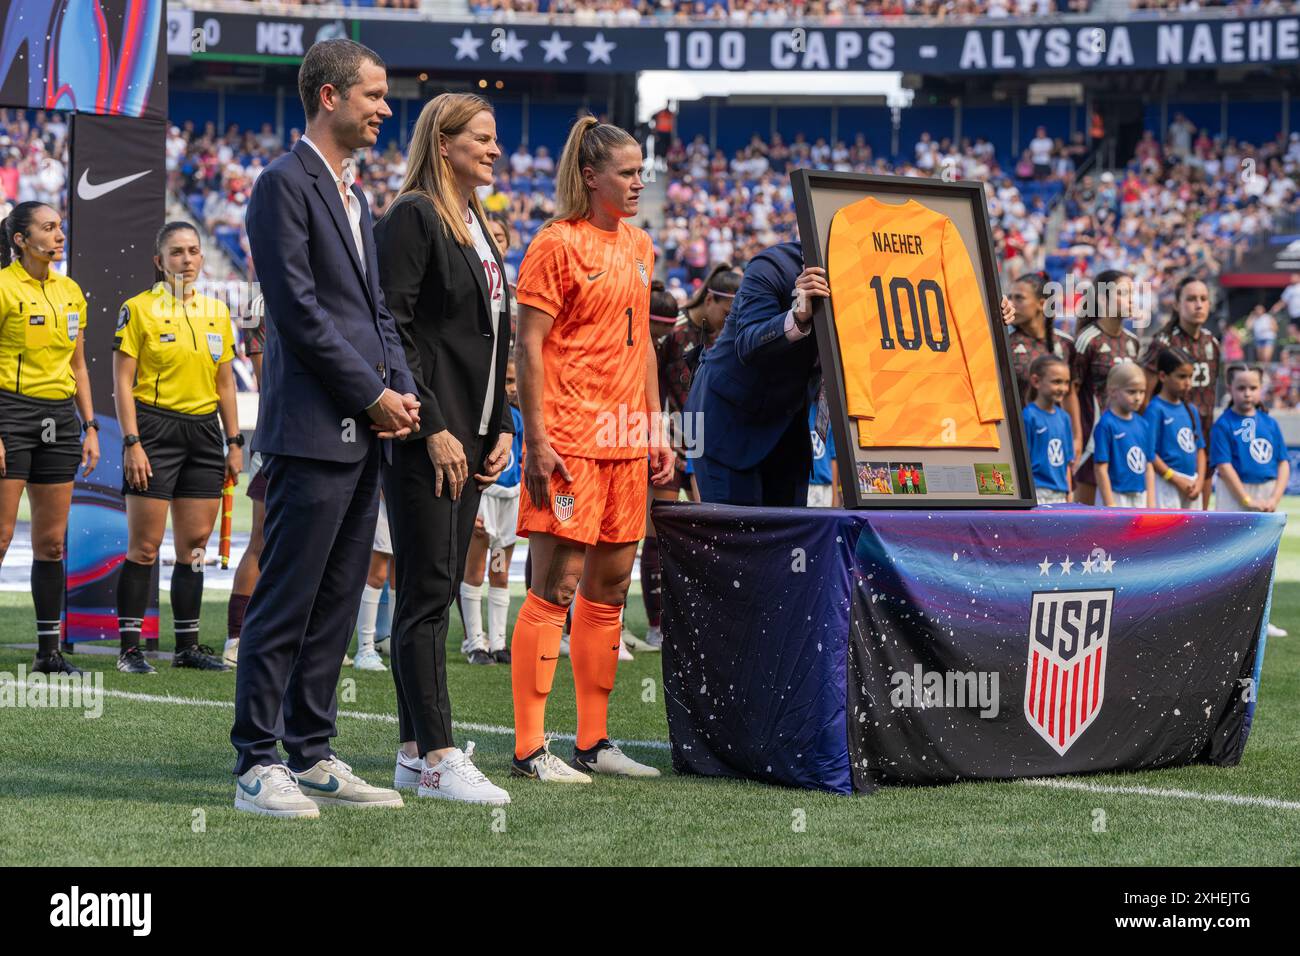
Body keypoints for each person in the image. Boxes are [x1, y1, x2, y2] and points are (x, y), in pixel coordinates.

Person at [230, 39, 419, 819]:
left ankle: (311, 752)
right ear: (331, 95)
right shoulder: (282, 184)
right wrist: (373, 393)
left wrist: (402, 391)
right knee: (288, 599)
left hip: (365, 426)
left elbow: (375, 310)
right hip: (312, 426)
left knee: (338, 600)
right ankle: (254, 763)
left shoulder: (355, 194)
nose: (384, 108)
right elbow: (300, 315)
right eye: (373, 94)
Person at [507, 115, 673, 783]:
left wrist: (655, 426)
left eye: (642, 172)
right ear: (590, 178)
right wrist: (538, 438)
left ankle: (594, 741)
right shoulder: (555, 243)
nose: (639, 183)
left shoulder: (640, 244)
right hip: (571, 436)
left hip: (626, 438)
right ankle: (528, 749)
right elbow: (528, 348)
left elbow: (644, 347)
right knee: (556, 585)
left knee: (608, 590)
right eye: (627, 173)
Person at [375, 92, 514, 805]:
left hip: (474, 436)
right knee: (427, 597)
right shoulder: (413, 216)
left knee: (433, 594)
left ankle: (409, 751)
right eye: (481, 138)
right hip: (430, 437)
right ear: (444, 141)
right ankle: (438, 756)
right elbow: (390, 328)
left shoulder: (479, 224)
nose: (495, 149)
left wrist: (504, 425)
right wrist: (431, 425)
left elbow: (493, 337)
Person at [112, 222, 241, 675]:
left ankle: (187, 646)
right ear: (159, 261)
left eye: (193, 251)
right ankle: (130, 649)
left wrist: (235, 441)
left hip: (205, 435)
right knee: (144, 547)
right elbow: (122, 384)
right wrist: (132, 443)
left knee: (196, 546)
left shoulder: (217, 312)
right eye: (176, 253)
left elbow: (225, 383)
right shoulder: (138, 309)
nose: (187, 260)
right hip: (154, 431)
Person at [0, 200, 99, 675]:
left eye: (60, 227)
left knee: (52, 544)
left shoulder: (71, 291)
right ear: (21, 240)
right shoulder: (1, 286)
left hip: (60, 420)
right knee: (0, 537)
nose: (59, 235)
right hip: (8, 413)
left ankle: (47, 654)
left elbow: (78, 365)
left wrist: (91, 425)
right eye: (48, 228)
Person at [641, 264, 739, 648]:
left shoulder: (726, 335)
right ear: (711, 298)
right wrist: (666, 436)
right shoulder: (672, 330)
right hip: (667, 442)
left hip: (706, 444)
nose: (732, 317)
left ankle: (703, 619)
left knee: (709, 530)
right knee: (657, 532)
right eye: (728, 308)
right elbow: (651, 387)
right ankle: (655, 626)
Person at [1210, 364, 1289, 637]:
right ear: (1229, 389)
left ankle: (1261, 621)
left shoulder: (1269, 423)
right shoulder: (1224, 424)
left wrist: (1274, 497)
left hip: (1265, 493)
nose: (1247, 393)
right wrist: (1245, 498)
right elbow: (1223, 465)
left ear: (1261, 389)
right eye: (1241, 388)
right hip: (1235, 495)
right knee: (1232, 557)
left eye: (1253, 388)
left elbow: (1283, 462)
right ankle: (1227, 620)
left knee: (1264, 559)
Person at [1139, 276, 1220, 510]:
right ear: (1177, 304)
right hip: (1169, 438)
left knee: (1200, 519)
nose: (1198, 305)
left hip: (1201, 433)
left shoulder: (1212, 342)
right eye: (1191, 299)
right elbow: (1144, 395)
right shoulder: (1163, 341)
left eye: (1204, 299)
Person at [461, 357, 522, 665]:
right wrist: (471, 506)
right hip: (484, 498)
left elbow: (522, 461)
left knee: (499, 571)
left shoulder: (519, 420)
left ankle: (498, 642)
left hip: (509, 502)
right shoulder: (481, 414)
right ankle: (474, 643)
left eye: (513, 381)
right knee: (474, 570)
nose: (510, 387)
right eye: (505, 381)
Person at [1071, 270, 1142, 505]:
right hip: (1091, 440)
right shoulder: (1087, 340)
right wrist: (1077, 436)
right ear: (1103, 299)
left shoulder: (1133, 342)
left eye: (1132, 293)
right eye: (1123, 293)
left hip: (1121, 440)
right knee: (1086, 520)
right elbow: (1071, 390)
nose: (1131, 299)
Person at [1007, 271, 1081, 455]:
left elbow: (1070, 394)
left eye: (1019, 298)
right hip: (1017, 442)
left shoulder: (1064, 344)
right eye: (1010, 298)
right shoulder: (1005, 345)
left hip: (1054, 444)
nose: (1011, 304)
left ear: (1041, 304)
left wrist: (1077, 438)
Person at [1143, 348, 1206, 511]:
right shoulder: (1155, 409)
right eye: (1182, 377)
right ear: (1163, 376)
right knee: (1168, 534)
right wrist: (1175, 479)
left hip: (1191, 484)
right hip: (1167, 483)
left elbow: (1200, 449)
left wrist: (1199, 482)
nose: (1188, 383)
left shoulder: (1191, 410)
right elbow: (1150, 454)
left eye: (1190, 377)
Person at [1092, 362, 1154, 509]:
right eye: (1132, 392)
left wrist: (1151, 502)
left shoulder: (1143, 424)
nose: (1138, 397)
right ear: (1113, 391)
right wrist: (1110, 504)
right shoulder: (1106, 424)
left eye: (1142, 392)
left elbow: (1149, 465)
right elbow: (1100, 468)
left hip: (1140, 496)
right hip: (1115, 496)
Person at [1022, 354, 1074, 504]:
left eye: (1066, 382)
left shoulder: (1065, 418)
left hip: (1060, 494)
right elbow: (1023, 463)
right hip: (1037, 492)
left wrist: (1069, 495)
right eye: (1057, 382)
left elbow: (1067, 463)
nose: (1063, 388)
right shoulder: (1028, 416)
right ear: (1036, 381)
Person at [352, 495, 392, 672]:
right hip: (385, 497)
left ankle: (398, 650)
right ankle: (365, 649)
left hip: (413, 497)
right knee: (376, 574)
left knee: (401, 575)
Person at [806, 401, 838, 507]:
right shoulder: (802, 407)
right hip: (806, 485)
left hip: (826, 486)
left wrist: (835, 494)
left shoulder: (827, 410)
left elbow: (833, 457)